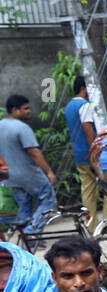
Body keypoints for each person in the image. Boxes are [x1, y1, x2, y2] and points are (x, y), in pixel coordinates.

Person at [0, 95, 58, 236]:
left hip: (11, 177)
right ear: (15, 110)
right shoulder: (22, 128)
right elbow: (34, 152)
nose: (29, 111)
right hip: (30, 175)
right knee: (49, 200)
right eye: (25, 108)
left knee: (24, 208)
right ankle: (32, 231)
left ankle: (26, 237)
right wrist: (49, 172)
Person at [64, 77, 107, 234]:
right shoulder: (84, 106)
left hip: (79, 154)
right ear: (84, 88)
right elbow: (87, 128)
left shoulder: (69, 106)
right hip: (90, 153)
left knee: (88, 189)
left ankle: (91, 223)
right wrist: (95, 153)